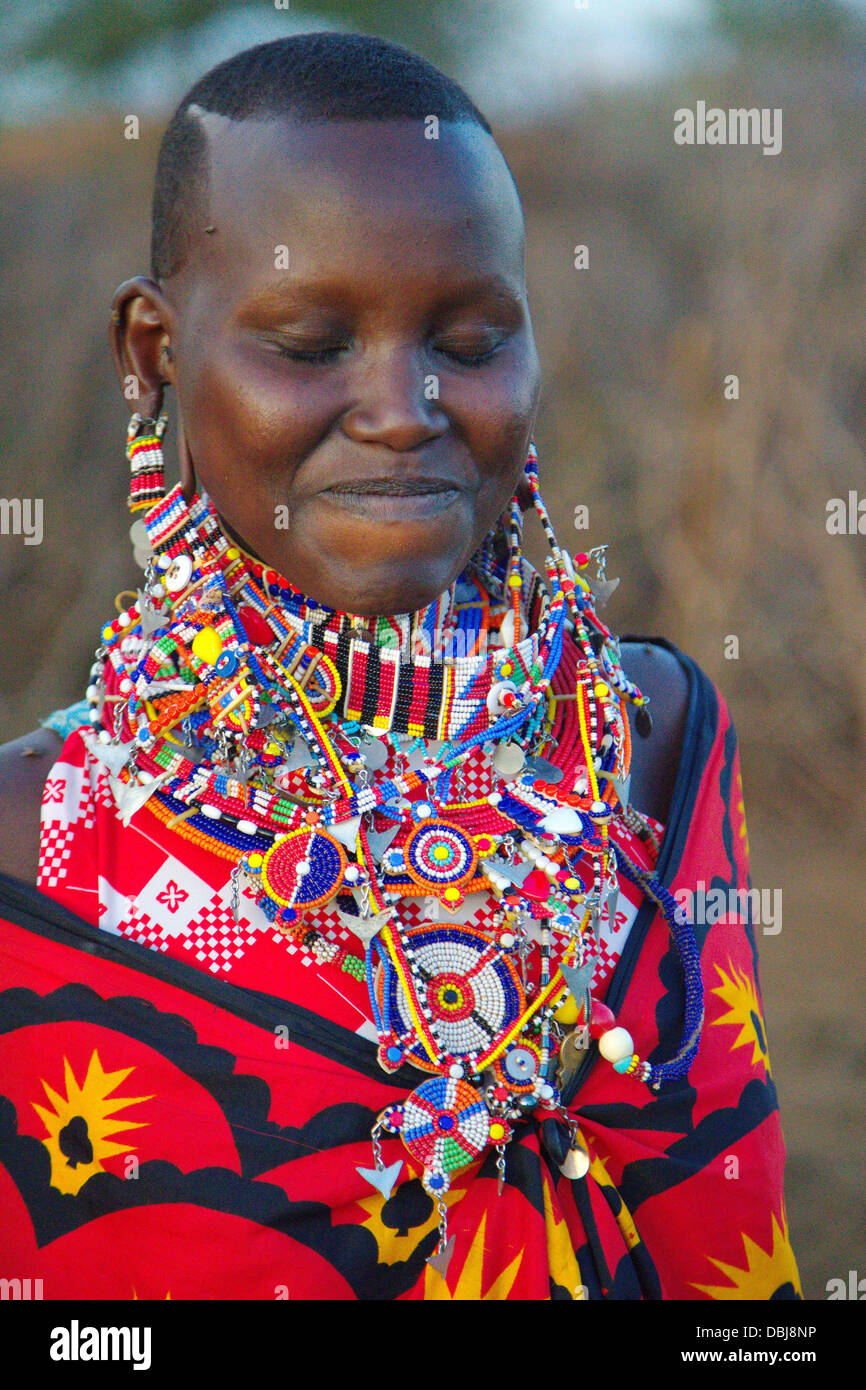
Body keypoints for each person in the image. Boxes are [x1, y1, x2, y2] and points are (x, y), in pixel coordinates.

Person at [0, 32, 799, 1300]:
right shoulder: (37, 844)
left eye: (472, 341)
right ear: (151, 354)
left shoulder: (652, 744)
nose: (402, 408)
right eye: (310, 343)